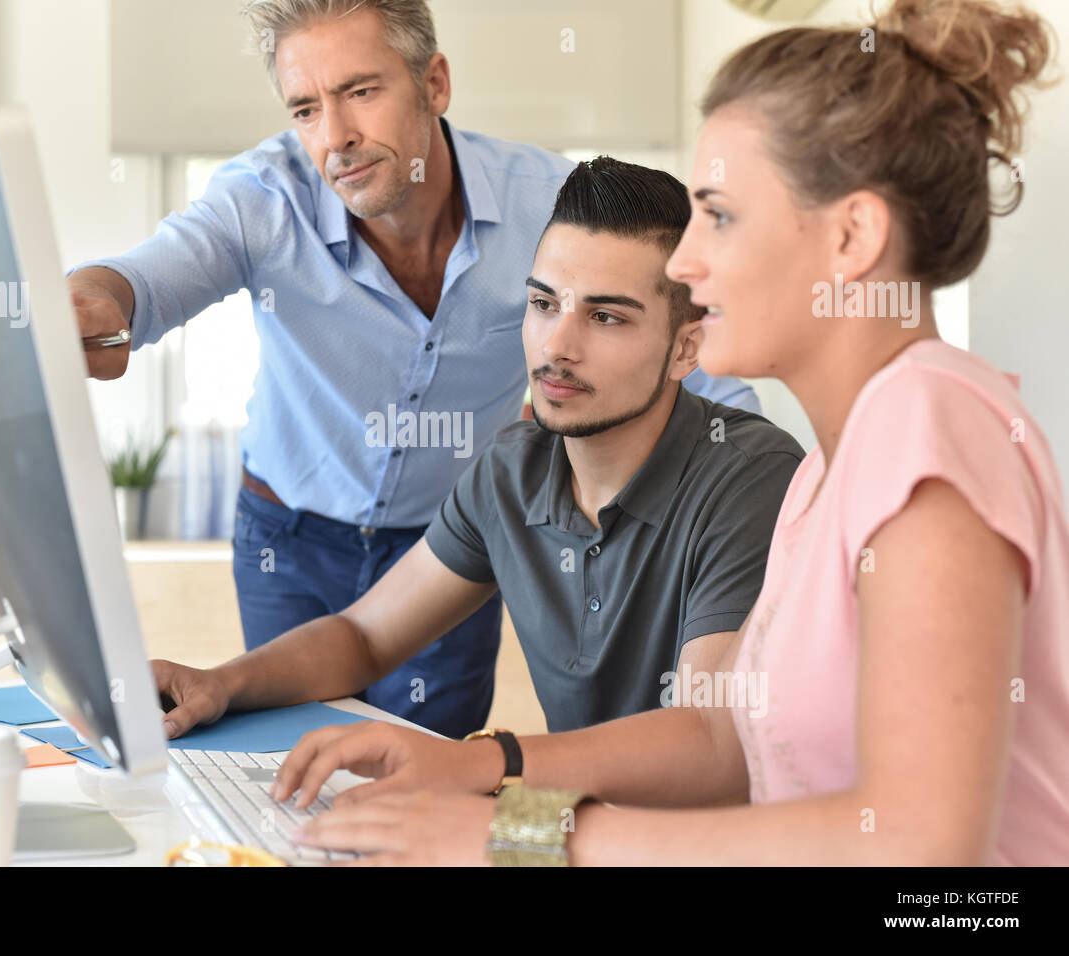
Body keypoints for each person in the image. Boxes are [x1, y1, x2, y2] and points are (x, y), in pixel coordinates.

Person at [275, 0, 1069, 866]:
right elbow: (726, 747)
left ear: (853, 236)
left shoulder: (928, 427)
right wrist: (490, 782)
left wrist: (516, 835)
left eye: (719, 217)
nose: (687, 264)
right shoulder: (833, 473)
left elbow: (924, 846)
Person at [67, 0, 758, 738]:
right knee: (284, 754)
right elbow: (149, 278)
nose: (335, 138)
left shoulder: (550, 208)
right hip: (289, 533)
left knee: (423, 759)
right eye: (305, 108)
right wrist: (94, 303)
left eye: (362, 92)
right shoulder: (262, 199)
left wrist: (782, 495)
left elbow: (699, 354)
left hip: (448, 545)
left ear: (434, 84)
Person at [151, 157, 802, 743]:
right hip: (567, 823)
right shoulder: (510, 472)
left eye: (606, 317)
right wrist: (221, 685)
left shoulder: (752, 478)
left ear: (687, 347)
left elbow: (700, 747)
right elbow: (365, 636)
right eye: (544, 304)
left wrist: (490, 773)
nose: (556, 347)